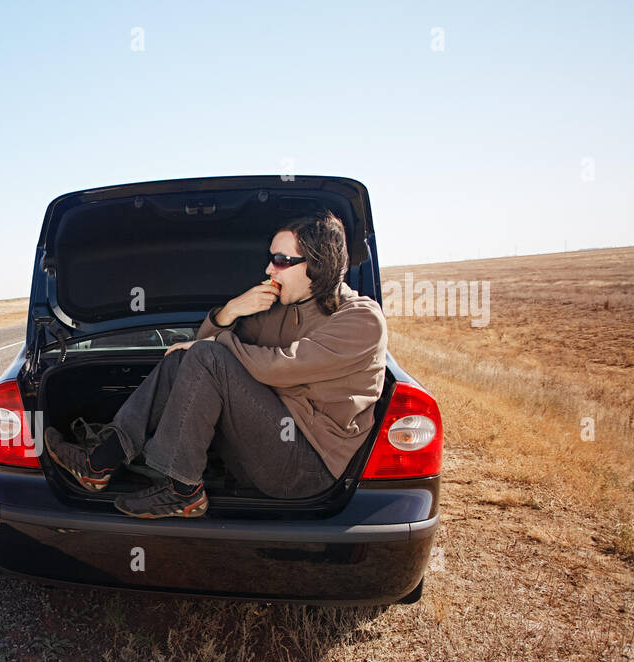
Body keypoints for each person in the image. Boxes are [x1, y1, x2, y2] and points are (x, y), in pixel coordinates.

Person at [44, 211, 388, 518]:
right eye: (271, 259)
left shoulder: (360, 319)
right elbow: (201, 349)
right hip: (258, 447)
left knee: (208, 355)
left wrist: (213, 344)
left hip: (306, 467)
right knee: (185, 357)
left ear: (317, 263)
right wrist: (231, 311)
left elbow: (277, 368)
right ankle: (100, 461)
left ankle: (181, 491)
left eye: (281, 260)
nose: (269, 269)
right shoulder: (279, 309)